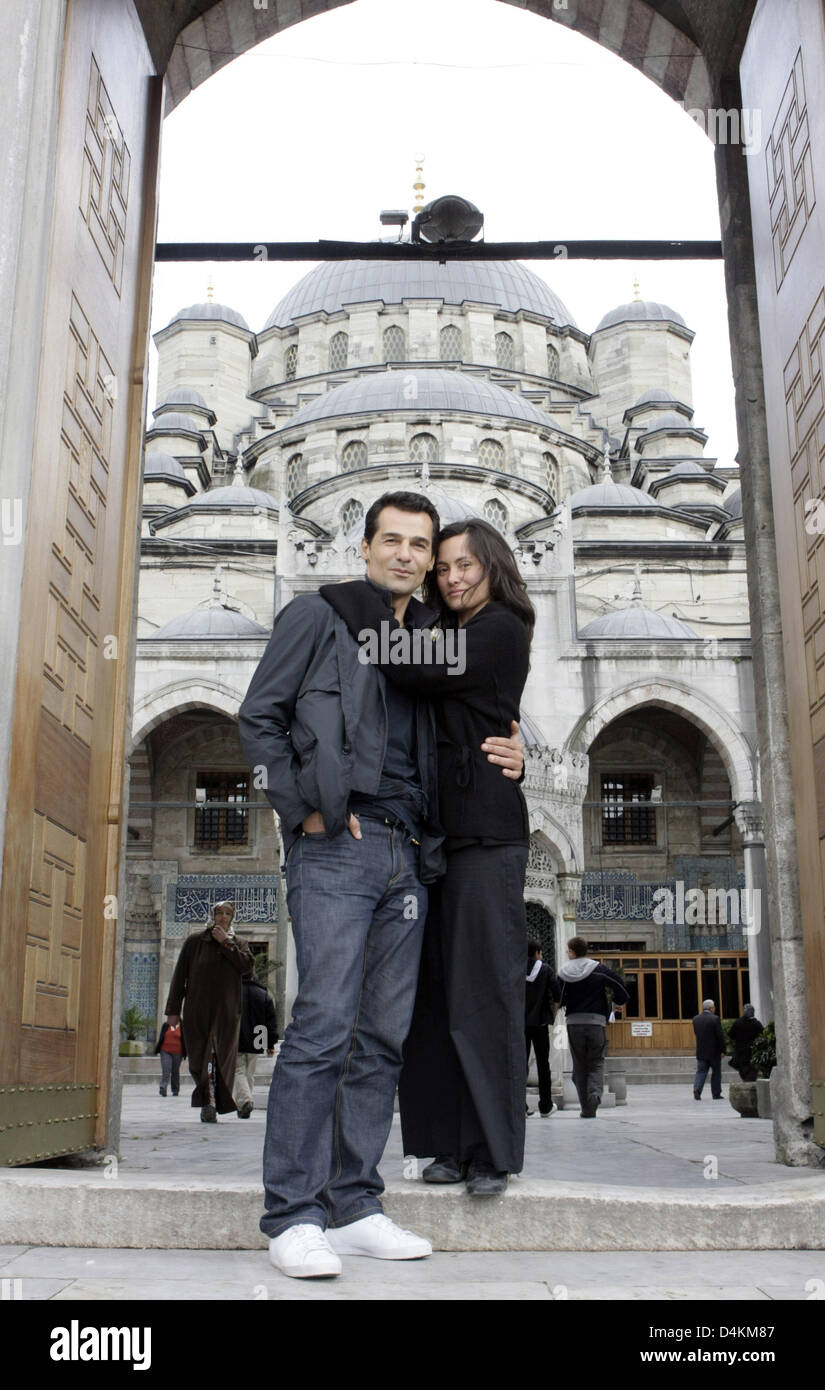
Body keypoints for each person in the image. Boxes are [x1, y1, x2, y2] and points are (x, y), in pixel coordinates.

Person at [238, 492, 523, 1277]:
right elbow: (256, 720)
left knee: (381, 1038)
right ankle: (292, 1214)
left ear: (432, 559)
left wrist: (515, 743)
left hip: (411, 852)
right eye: (390, 540)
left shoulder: (436, 637)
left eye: (419, 545)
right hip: (339, 846)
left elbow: (472, 717)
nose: (405, 555)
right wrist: (303, 811)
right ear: (364, 548)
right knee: (324, 1024)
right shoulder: (318, 616)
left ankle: (355, 1202)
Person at [326, 516, 534, 1196]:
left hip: (483, 833)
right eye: (443, 565)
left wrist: (356, 594)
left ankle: (489, 1154)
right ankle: (440, 1148)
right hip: (429, 832)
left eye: (465, 563)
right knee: (431, 996)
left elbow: (409, 667)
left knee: (482, 993)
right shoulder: (441, 629)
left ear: (493, 566)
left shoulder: (497, 627)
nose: (451, 575)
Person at [164, 900, 253, 1122]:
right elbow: (179, 978)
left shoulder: (239, 943)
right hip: (197, 1011)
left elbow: (246, 967)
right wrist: (173, 1010)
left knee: (220, 1058)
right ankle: (206, 1096)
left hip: (226, 1013)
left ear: (233, 917)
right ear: (212, 915)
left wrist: (227, 943)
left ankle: (210, 1102)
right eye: (219, 913)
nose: (223, 917)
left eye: (228, 913)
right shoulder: (195, 942)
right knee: (198, 1059)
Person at [557, 936, 629, 1118]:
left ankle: (586, 1109)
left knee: (579, 1065)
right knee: (596, 1062)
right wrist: (617, 1002)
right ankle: (595, 1095)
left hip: (574, 1022)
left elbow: (558, 995)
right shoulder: (598, 969)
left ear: (572, 951)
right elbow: (620, 985)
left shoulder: (564, 972)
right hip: (596, 1022)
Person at [234, 970, 279, 1118]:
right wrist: (270, 1044)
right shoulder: (263, 994)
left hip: (237, 1038)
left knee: (238, 1071)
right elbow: (271, 1022)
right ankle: (244, 1106)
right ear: (253, 976)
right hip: (256, 1039)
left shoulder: (232, 992)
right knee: (249, 1073)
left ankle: (246, 1101)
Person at [525, 941, 560, 1118]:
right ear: (537, 952)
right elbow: (557, 995)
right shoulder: (546, 970)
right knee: (543, 1064)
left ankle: (520, 1107)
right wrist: (552, 1015)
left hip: (520, 1025)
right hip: (540, 1023)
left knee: (520, 1064)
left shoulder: (516, 967)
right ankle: (545, 1105)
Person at [692, 999, 726, 1099]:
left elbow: (696, 1033)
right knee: (716, 1073)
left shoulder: (696, 1019)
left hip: (701, 1050)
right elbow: (720, 1036)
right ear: (711, 1008)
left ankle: (697, 1089)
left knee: (701, 1071)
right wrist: (723, 1050)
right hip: (714, 1052)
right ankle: (716, 1093)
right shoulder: (715, 1019)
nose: (714, 1008)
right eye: (714, 1007)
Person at [728, 1003, 764, 1082]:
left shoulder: (738, 1022)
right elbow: (763, 1035)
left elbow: (731, 1034)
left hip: (740, 1051)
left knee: (743, 1068)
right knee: (751, 1069)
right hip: (752, 1051)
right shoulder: (757, 1024)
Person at [154, 1016, 185, 1097]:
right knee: (166, 1069)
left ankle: (175, 1089)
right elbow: (161, 1037)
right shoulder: (165, 1025)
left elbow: (185, 1040)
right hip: (165, 1051)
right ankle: (163, 1087)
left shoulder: (182, 1027)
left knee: (175, 1071)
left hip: (178, 1052)